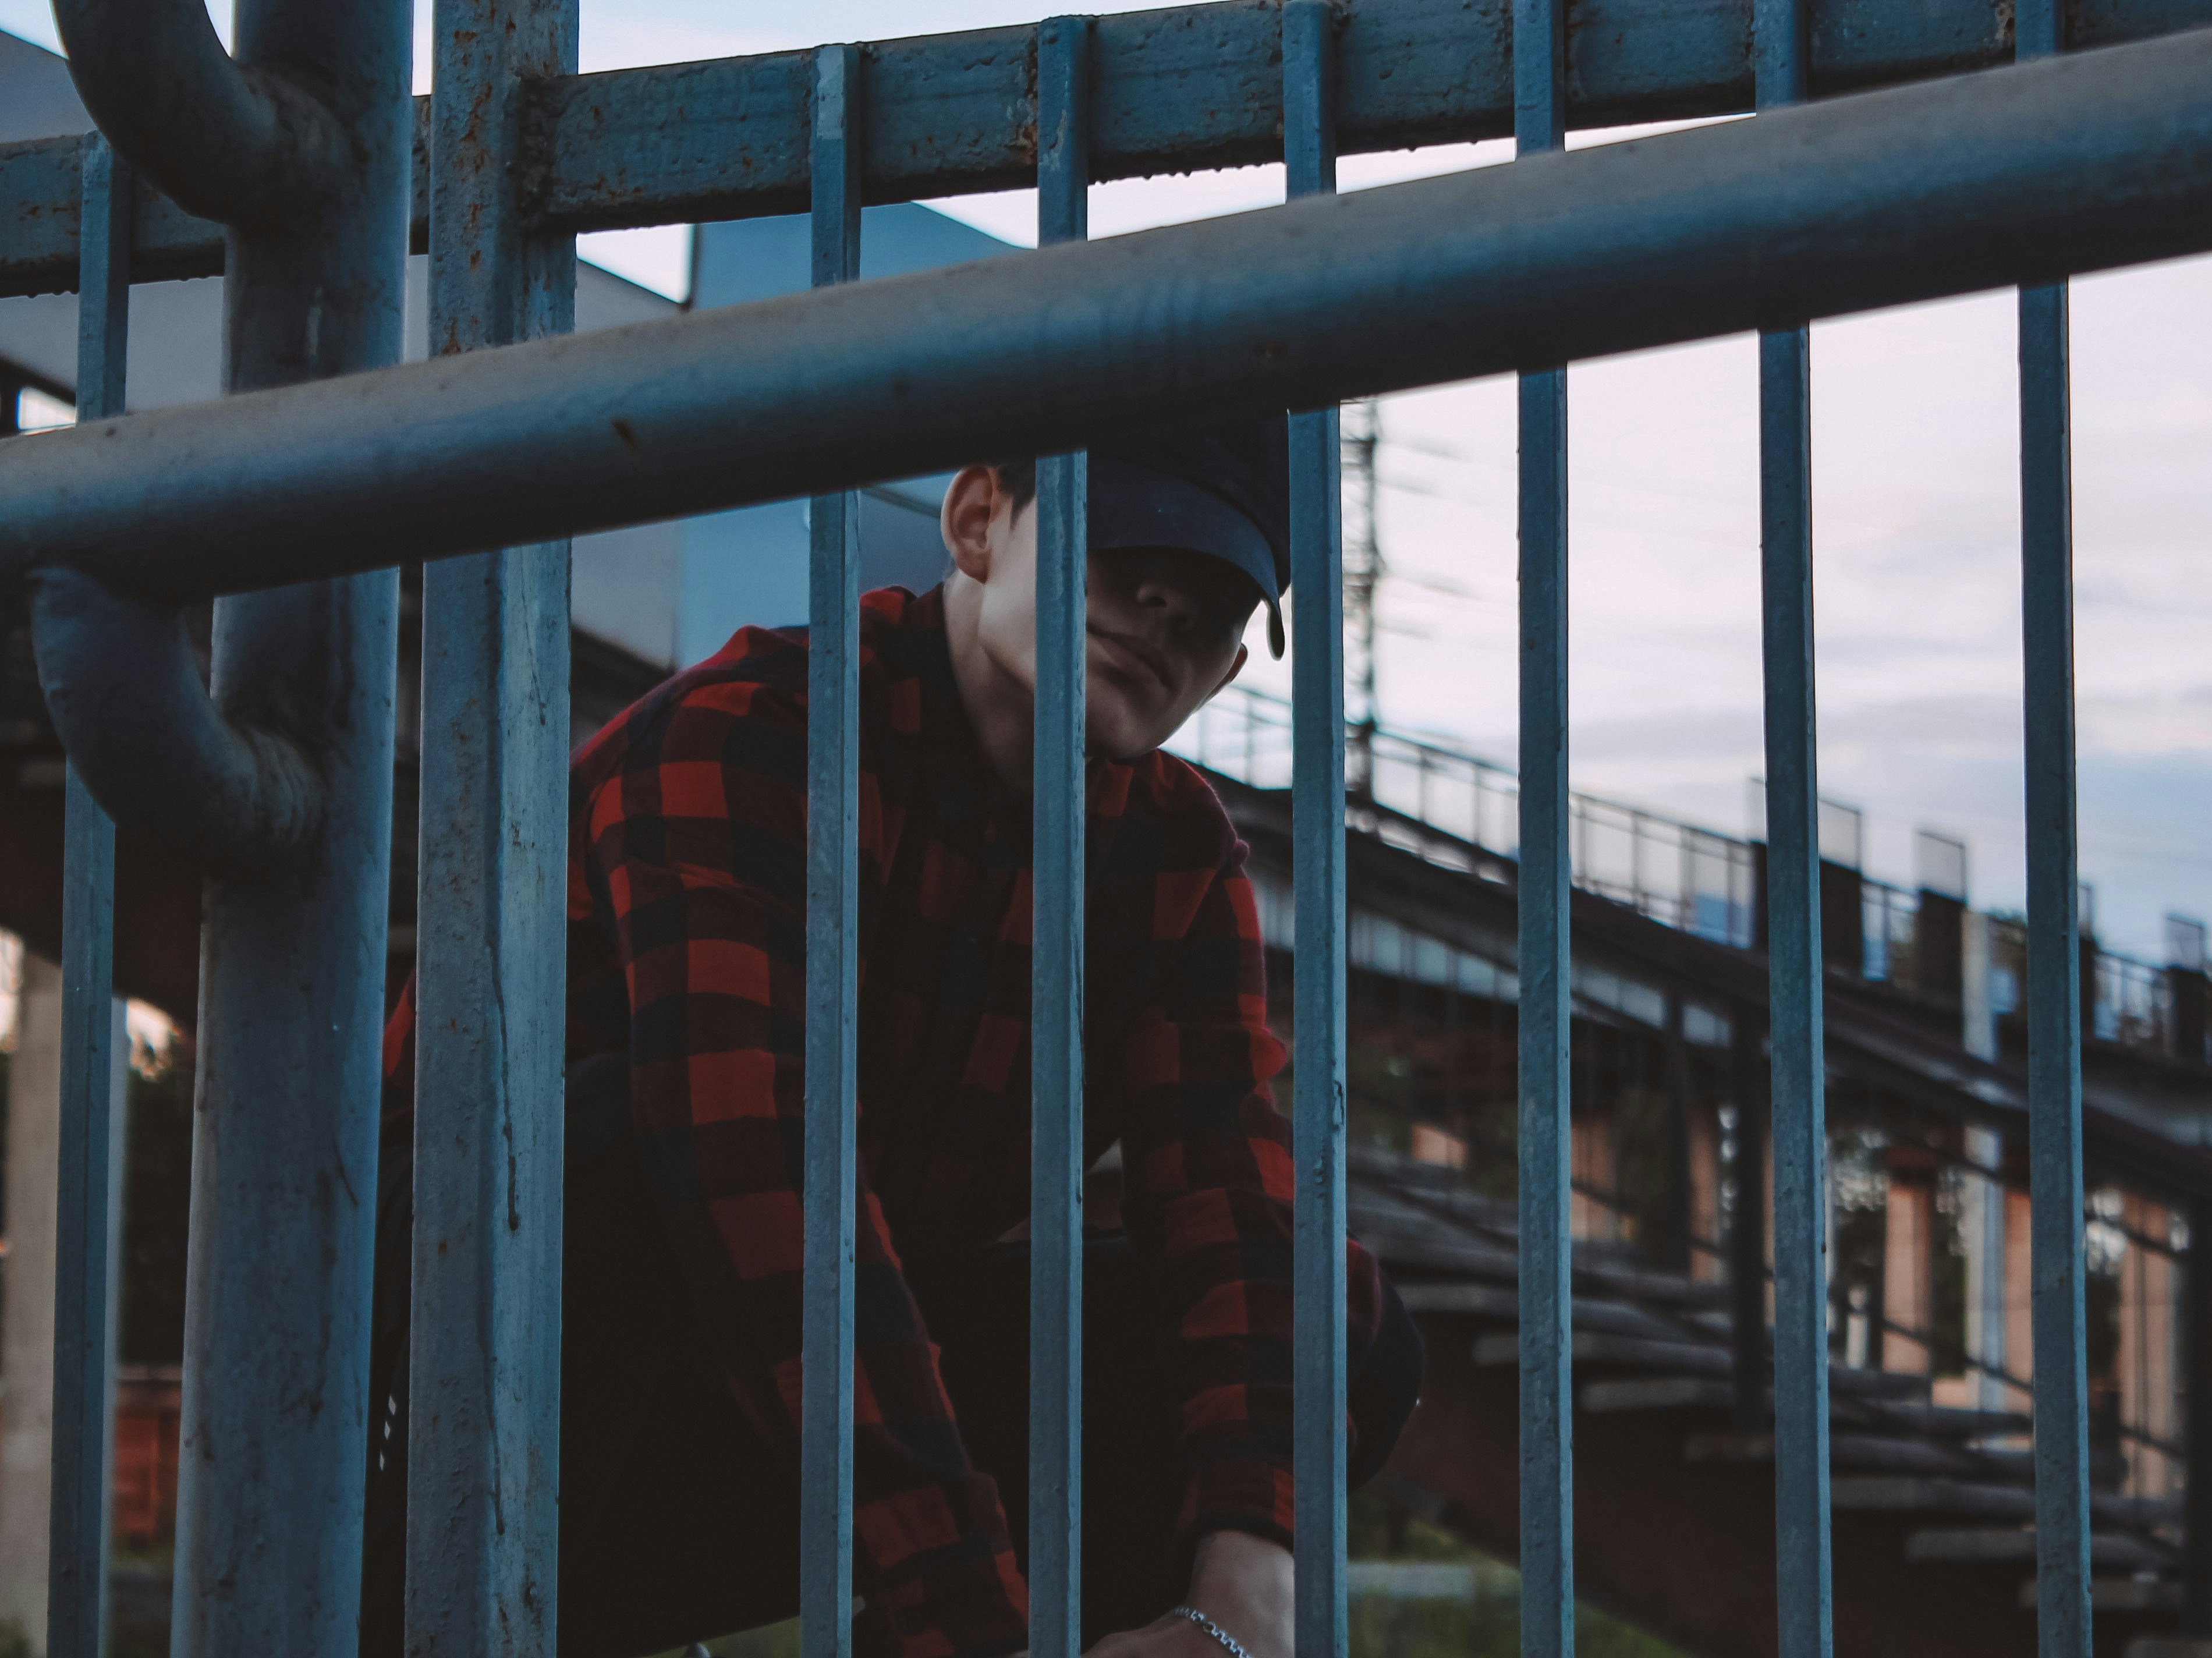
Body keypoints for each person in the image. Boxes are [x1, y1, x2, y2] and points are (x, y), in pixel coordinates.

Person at [361, 419, 1425, 1658]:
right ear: (978, 522)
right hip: (448, 1392)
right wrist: (969, 1617)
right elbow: (756, 1186)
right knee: (607, 1149)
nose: (1164, 604)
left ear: (1230, 671)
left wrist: (1249, 1580)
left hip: (787, 1403)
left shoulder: (1172, 856)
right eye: (1134, 541)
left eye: (1214, 595)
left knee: (1335, 1316)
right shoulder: (753, 734)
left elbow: (1237, 1210)